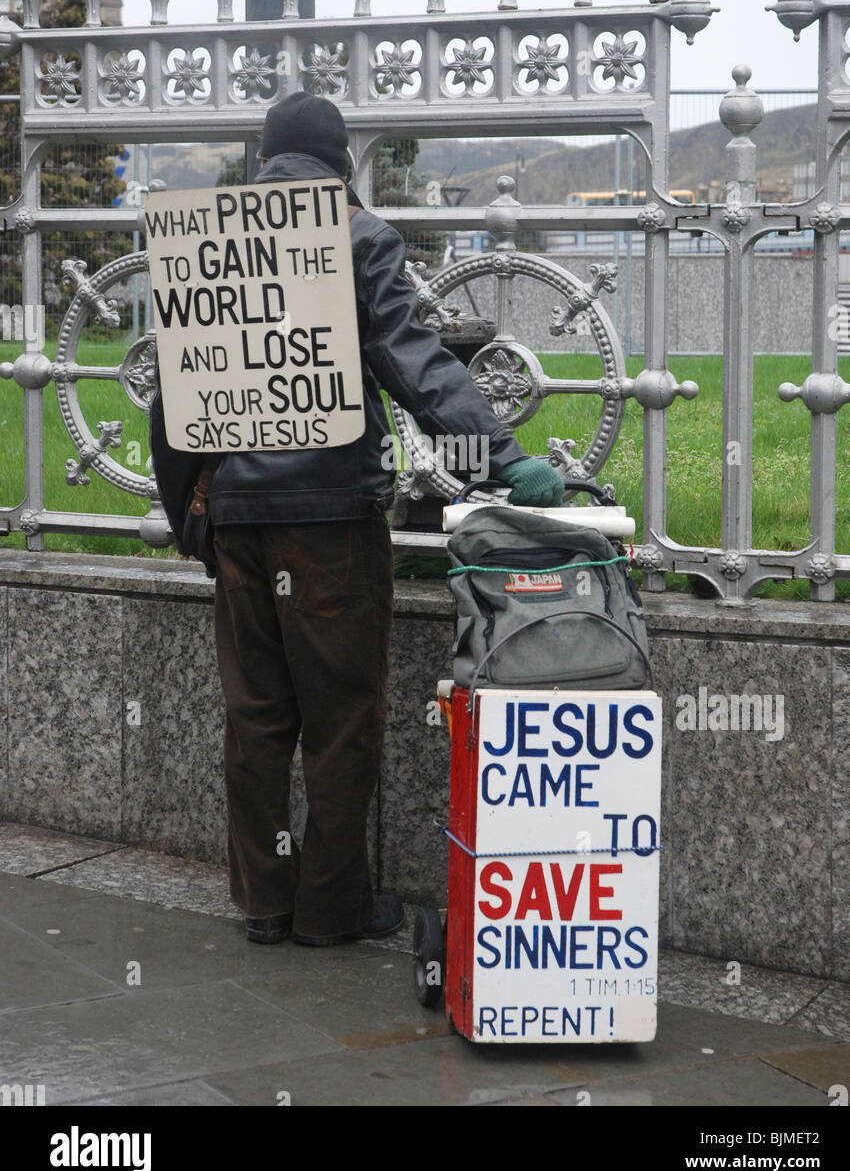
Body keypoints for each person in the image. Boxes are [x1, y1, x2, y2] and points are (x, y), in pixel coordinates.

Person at [150, 92, 564, 948]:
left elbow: (173, 391)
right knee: (342, 718)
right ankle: (332, 911)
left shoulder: (210, 240)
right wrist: (499, 454)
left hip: (233, 514)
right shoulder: (356, 237)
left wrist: (192, 512)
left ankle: (264, 898)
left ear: (264, 159)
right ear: (342, 164)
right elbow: (414, 363)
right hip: (331, 519)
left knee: (256, 715)